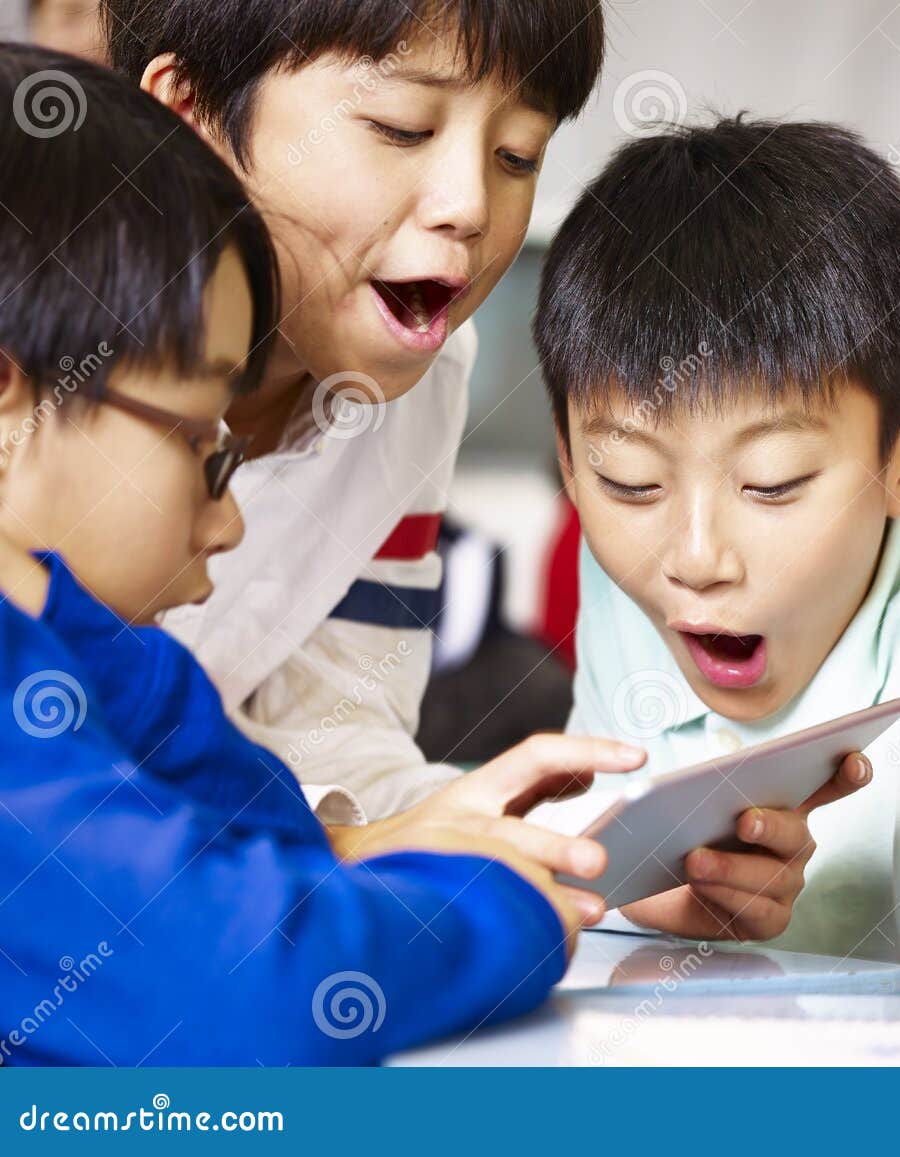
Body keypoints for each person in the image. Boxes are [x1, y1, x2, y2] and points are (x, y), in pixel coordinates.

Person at [0, 45, 651, 1065]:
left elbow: (243, 810)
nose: (228, 520)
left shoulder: (75, 656)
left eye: (520, 154)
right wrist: (505, 904)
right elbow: (252, 985)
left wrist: (493, 840)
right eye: (196, 445)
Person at [534, 117, 900, 990]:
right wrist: (638, 900)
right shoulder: (628, 582)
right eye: (629, 482)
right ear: (571, 466)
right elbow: (600, 919)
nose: (695, 560)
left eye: (770, 484)